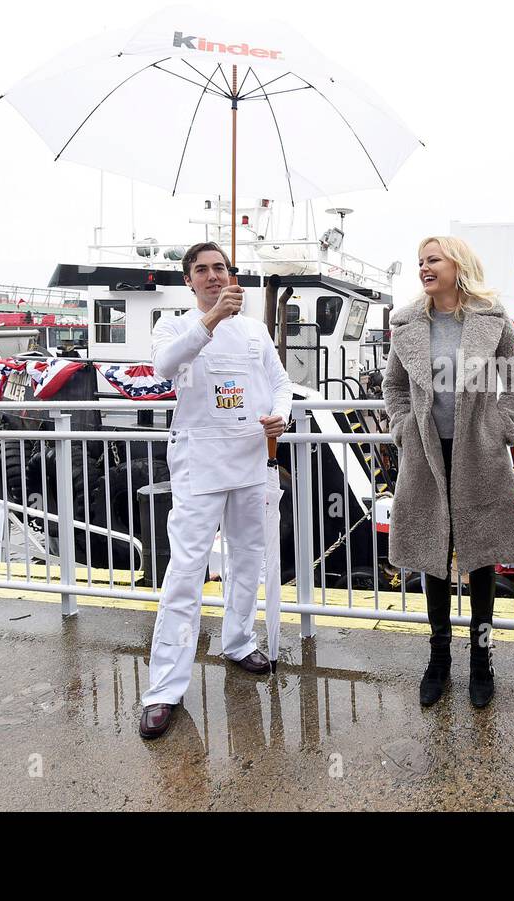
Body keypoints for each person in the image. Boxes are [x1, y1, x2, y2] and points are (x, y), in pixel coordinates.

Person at [139, 242, 293, 741]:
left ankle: (239, 640)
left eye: (219, 268)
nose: (211, 276)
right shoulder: (174, 325)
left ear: (230, 274)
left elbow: (280, 381)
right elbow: (165, 365)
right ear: (188, 281)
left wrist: (282, 413)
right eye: (201, 270)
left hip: (250, 457)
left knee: (248, 557)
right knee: (186, 572)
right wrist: (208, 322)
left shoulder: (254, 330)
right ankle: (163, 690)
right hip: (199, 464)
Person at [384, 236, 514, 708]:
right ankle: (439, 656)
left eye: (433, 260)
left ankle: (482, 656)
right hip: (427, 453)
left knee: (481, 557)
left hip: (479, 452)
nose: (424, 268)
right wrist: (405, 427)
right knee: (433, 553)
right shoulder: (408, 322)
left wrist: (500, 428)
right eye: (420, 261)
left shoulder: (491, 318)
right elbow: (394, 384)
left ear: (457, 266)